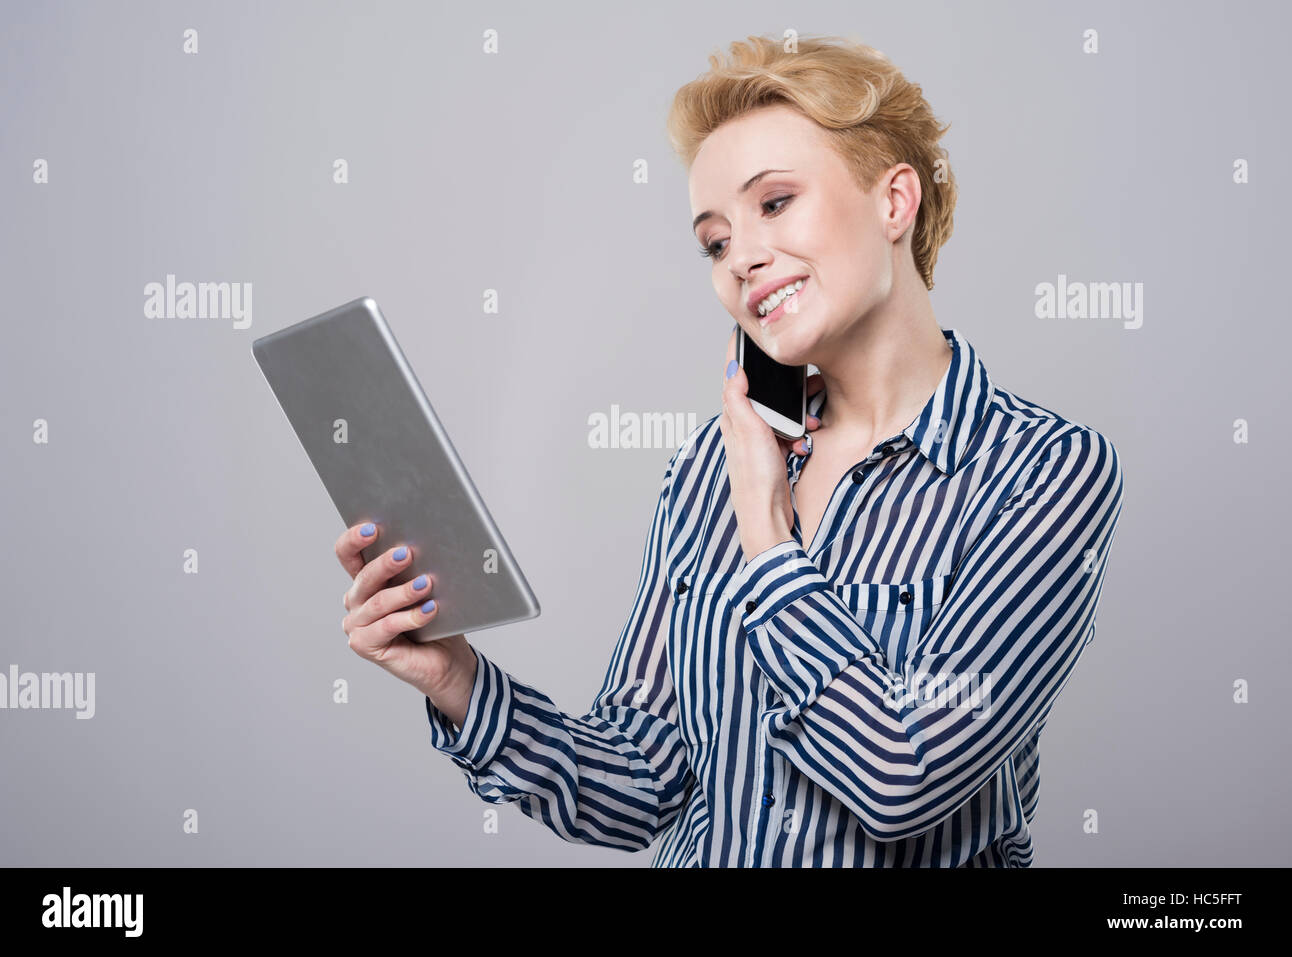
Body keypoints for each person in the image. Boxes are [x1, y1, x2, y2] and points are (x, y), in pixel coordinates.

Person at [334, 33, 1124, 867]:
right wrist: (456, 678)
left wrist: (767, 538)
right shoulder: (710, 469)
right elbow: (642, 778)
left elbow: (904, 776)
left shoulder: (1044, 471)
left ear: (896, 201)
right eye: (714, 240)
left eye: (775, 203)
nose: (741, 257)